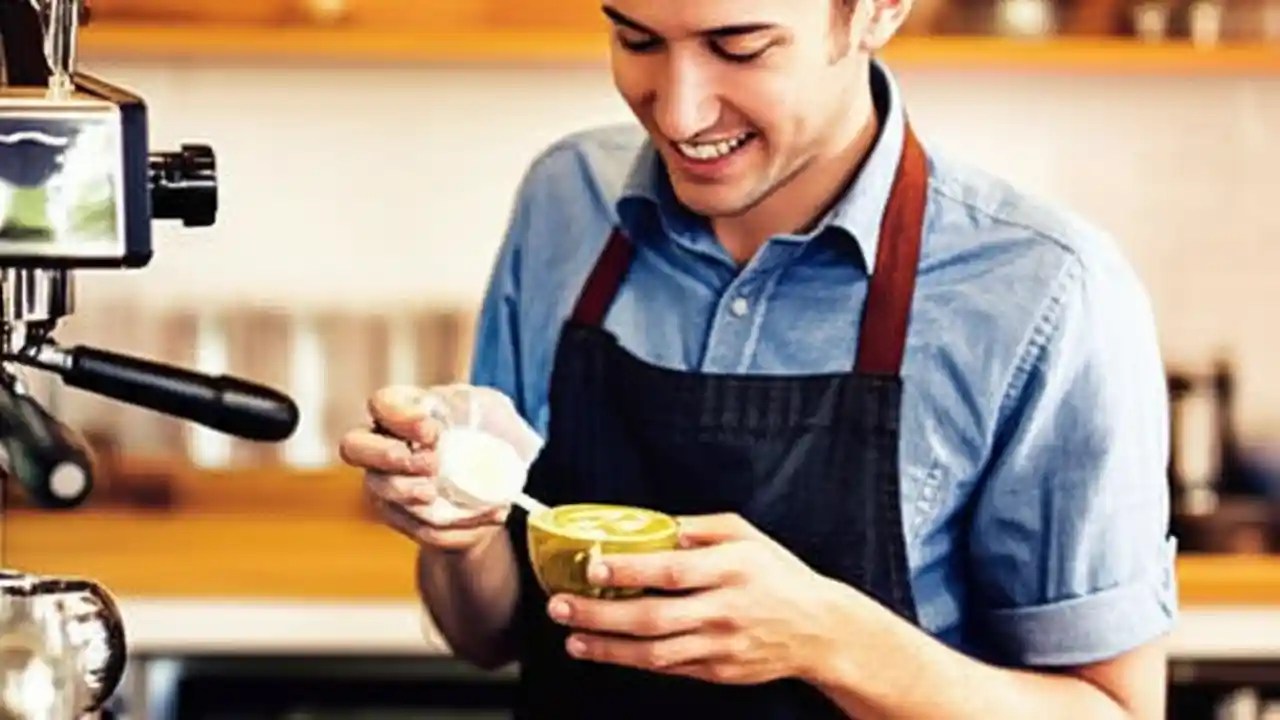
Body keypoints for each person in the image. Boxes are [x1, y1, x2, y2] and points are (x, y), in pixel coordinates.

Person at [338, 0, 1177, 716]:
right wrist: (455, 527)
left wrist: (831, 638)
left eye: (740, 47)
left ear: (878, 9)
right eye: (636, 40)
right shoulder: (568, 202)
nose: (679, 113)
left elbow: (1114, 708)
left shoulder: (1043, 291)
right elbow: (486, 635)